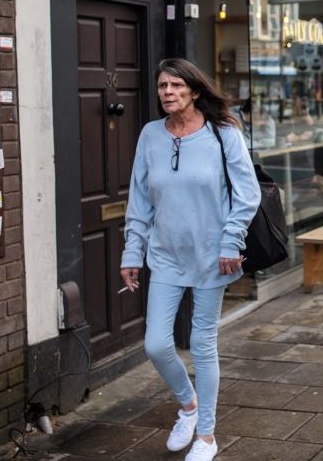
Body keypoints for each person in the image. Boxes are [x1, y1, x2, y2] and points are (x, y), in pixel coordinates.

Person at [120, 58, 258, 461]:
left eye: (176, 85)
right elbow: (139, 200)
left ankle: (207, 436)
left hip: (213, 257)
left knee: (202, 344)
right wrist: (133, 252)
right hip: (164, 256)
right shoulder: (150, 136)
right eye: (162, 85)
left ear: (194, 91)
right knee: (157, 345)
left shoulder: (223, 134)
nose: (167, 92)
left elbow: (247, 194)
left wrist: (231, 242)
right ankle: (188, 405)